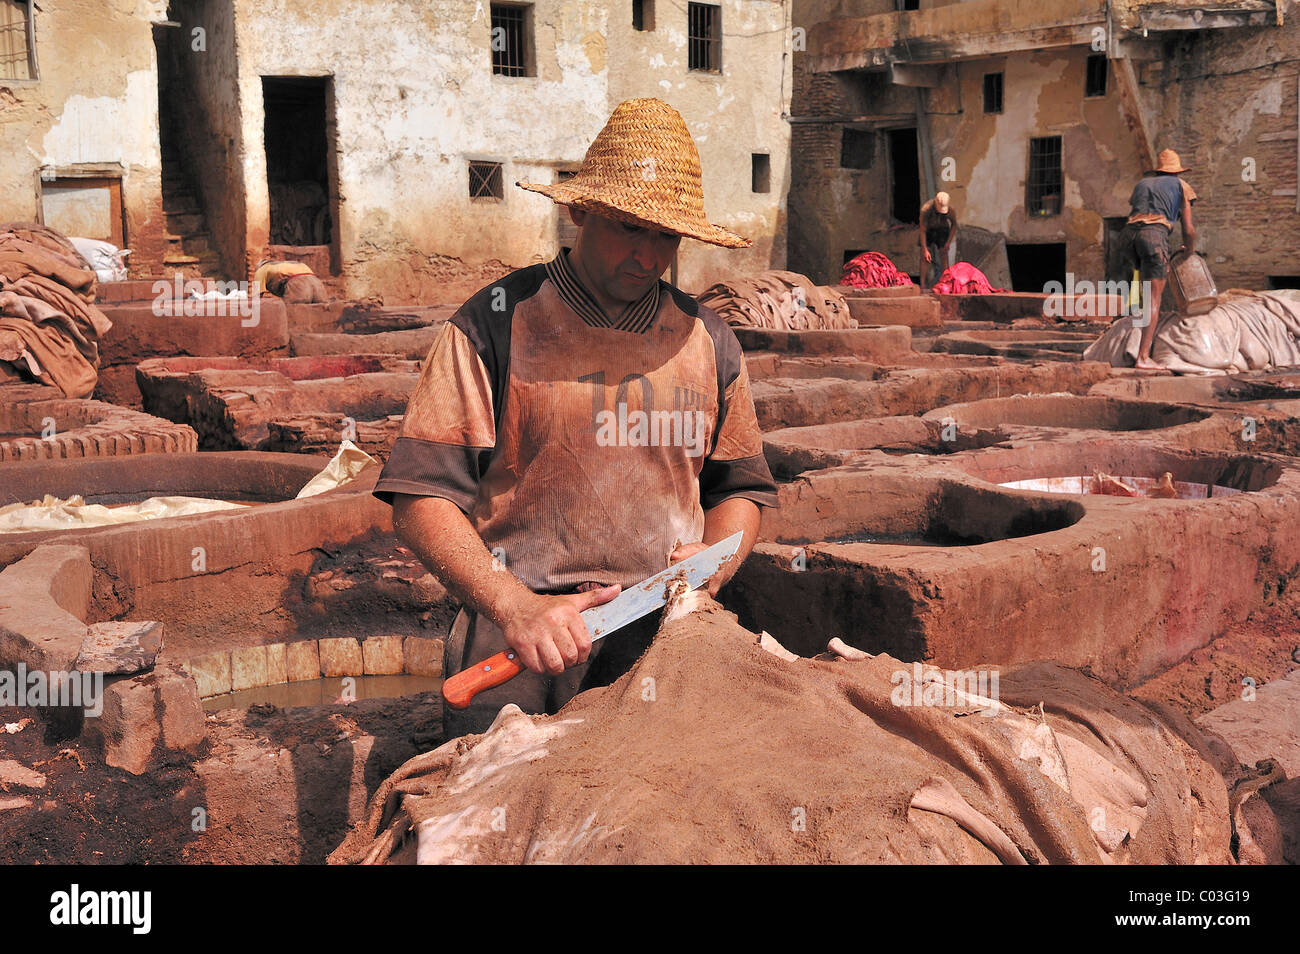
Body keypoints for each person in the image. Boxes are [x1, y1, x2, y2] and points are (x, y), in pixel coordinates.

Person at [373, 98, 779, 738]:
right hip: (519, 640)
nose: (648, 257)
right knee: (494, 817)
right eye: (628, 229)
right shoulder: (497, 322)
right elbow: (420, 500)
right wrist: (516, 606)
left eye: (665, 237)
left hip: (664, 632)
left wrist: (715, 564)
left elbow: (741, 490)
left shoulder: (707, 339)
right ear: (579, 211)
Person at [1118, 148, 1198, 370]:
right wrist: (1189, 250)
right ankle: (1143, 357)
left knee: (1145, 293)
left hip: (1127, 237)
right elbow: (1189, 230)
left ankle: (1136, 342)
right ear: (1177, 171)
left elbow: (1137, 210)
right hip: (1153, 236)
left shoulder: (1143, 184)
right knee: (1154, 300)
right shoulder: (1182, 186)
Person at [918, 192, 957, 289]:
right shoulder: (926, 209)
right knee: (924, 257)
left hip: (942, 230)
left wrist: (948, 243)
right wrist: (925, 249)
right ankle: (922, 285)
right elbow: (922, 230)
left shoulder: (950, 211)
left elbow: (954, 225)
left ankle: (946, 283)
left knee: (944, 255)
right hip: (928, 230)